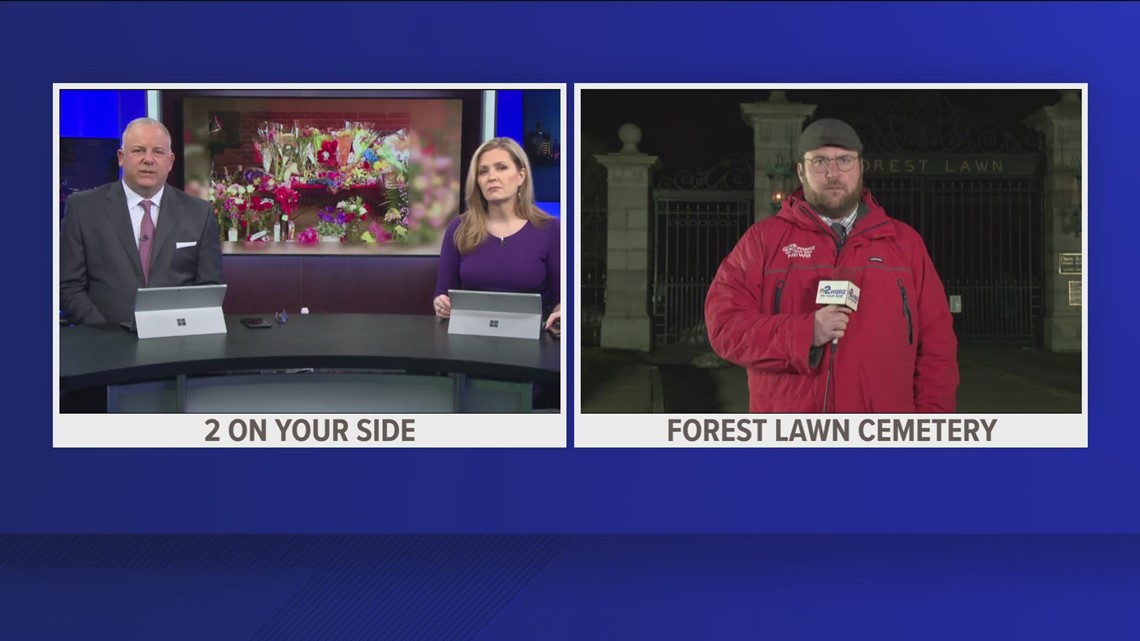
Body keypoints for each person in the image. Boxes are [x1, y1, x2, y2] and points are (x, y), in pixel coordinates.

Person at [704, 118, 958, 412]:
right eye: (820, 161)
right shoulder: (763, 241)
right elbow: (724, 325)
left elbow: (937, 345)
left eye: (844, 160)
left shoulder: (904, 244)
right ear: (801, 171)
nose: (832, 172)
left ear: (861, 167)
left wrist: (933, 428)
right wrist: (804, 333)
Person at [60, 117, 223, 326]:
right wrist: (103, 332)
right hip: (104, 344)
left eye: (158, 151)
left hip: (176, 343)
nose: (148, 159)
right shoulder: (82, 209)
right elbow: (69, 286)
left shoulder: (199, 213)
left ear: (170, 161)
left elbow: (208, 289)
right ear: (121, 157)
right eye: (138, 150)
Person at [433, 137, 561, 332]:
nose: (491, 177)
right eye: (483, 171)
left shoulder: (549, 229)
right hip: (469, 338)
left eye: (501, 167)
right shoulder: (459, 228)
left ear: (521, 176)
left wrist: (561, 313)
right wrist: (441, 305)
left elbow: (563, 300)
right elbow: (442, 295)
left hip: (533, 341)